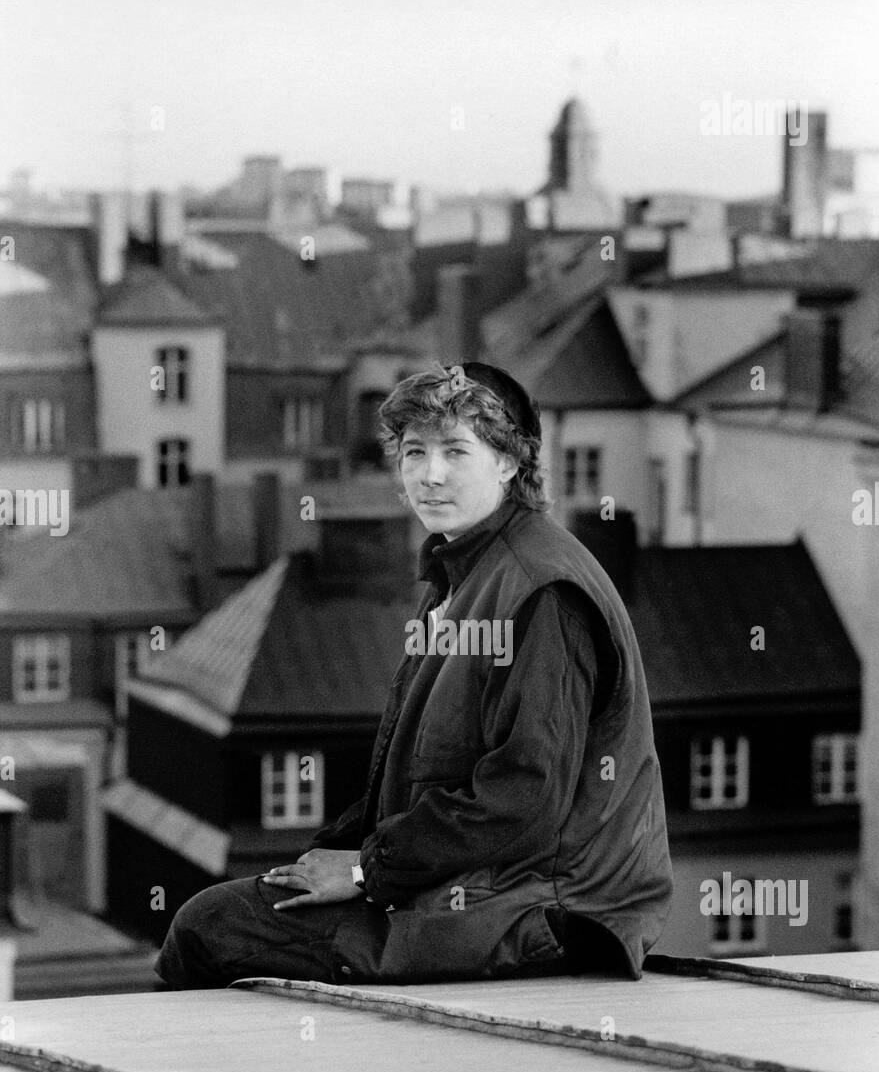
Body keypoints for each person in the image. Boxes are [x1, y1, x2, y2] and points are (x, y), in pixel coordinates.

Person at [156, 360, 672, 990]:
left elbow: (525, 797)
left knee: (211, 929)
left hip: (545, 908)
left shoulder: (540, 590)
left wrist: (364, 872)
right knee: (245, 907)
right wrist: (331, 854)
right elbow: (418, 781)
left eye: (457, 451)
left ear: (510, 463)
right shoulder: (464, 573)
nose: (430, 474)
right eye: (414, 452)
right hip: (478, 886)